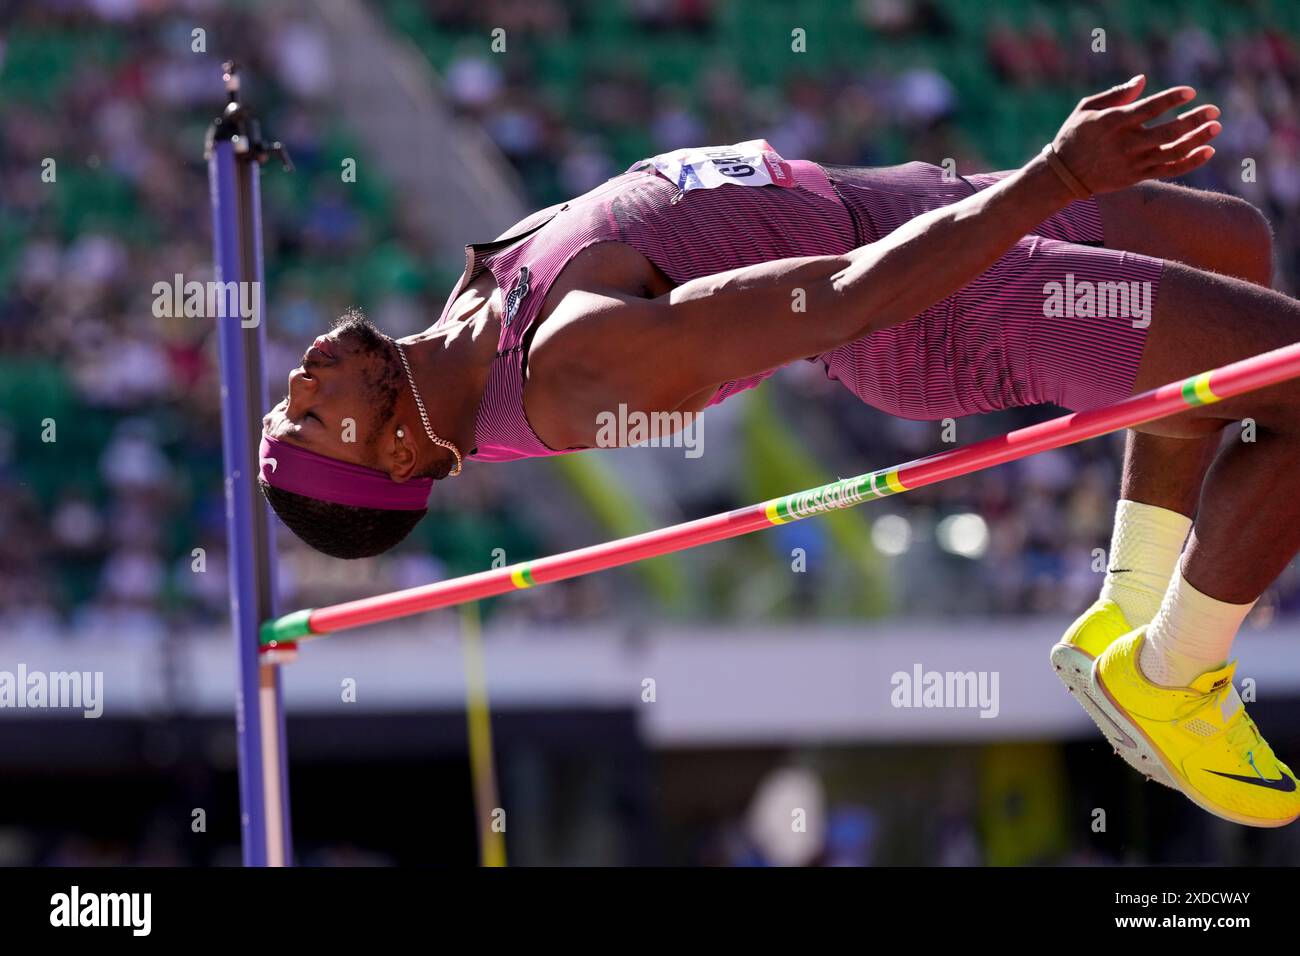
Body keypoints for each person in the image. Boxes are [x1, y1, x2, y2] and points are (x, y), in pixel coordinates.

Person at [259, 76, 1300, 826]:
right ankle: (1172, 668)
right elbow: (843, 301)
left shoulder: (471, 307)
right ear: (393, 461)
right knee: (1284, 384)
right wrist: (1053, 176)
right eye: (309, 417)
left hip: (883, 204)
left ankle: (1128, 603)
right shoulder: (572, 369)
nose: (301, 380)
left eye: (289, 400)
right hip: (930, 305)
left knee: (1226, 242)